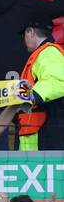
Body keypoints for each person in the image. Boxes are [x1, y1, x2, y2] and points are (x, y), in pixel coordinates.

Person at [19, 20, 64, 151]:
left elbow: (57, 80)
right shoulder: (43, 53)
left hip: (48, 131)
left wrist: (32, 96)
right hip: (39, 130)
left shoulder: (49, 52)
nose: (23, 40)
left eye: (24, 35)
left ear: (31, 32)